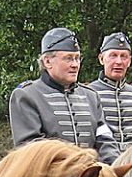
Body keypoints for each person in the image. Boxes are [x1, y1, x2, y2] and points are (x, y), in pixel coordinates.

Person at [9, 27, 119, 165]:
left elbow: (104, 138)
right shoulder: (26, 95)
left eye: (77, 58)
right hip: (47, 174)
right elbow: (31, 147)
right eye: (68, 59)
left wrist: (116, 165)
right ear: (47, 62)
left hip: (91, 173)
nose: (75, 65)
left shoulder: (91, 96)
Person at [89, 32, 132, 153]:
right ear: (101, 59)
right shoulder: (87, 94)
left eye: (123, 56)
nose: (119, 62)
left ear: (129, 61)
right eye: (113, 56)